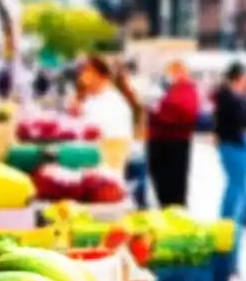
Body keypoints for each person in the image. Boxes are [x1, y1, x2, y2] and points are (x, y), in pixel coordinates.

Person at [213, 62, 246, 269]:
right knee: (236, 187)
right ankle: (229, 225)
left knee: (239, 187)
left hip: (240, 145)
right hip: (233, 145)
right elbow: (244, 120)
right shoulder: (228, 98)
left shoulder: (239, 96)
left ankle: (232, 223)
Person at [147, 60, 200, 208]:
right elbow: (151, 107)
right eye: (172, 72)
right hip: (157, 141)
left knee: (176, 184)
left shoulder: (188, 90)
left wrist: (164, 106)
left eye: (179, 72)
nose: (176, 76)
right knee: (159, 180)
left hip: (177, 142)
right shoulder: (161, 88)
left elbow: (187, 112)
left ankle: (176, 212)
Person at [111, 63, 150, 208]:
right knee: (138, 198)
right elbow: (142, 130)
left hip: (121, 152)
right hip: (137, 151)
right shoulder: (135, 101)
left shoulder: (113, 102)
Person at [73, 56, 134, 142]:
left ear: (102, 77)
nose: (82, 79)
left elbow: (114, 139)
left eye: (87, 72)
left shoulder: (114, 104)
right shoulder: (92, 99)